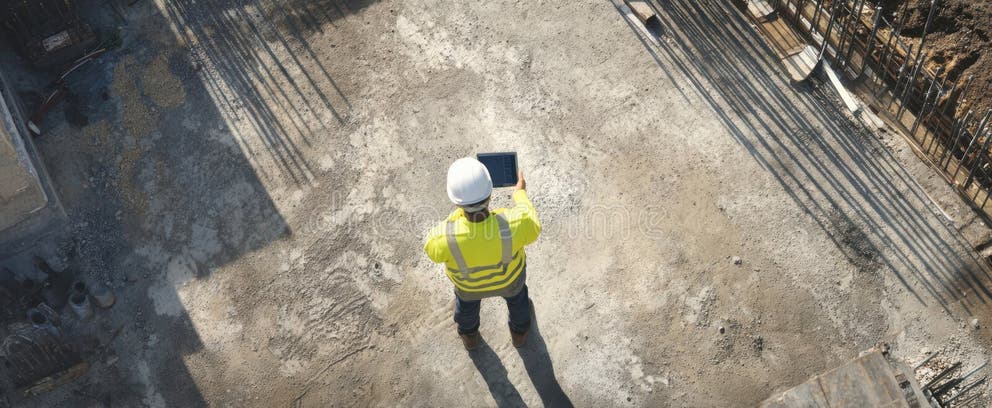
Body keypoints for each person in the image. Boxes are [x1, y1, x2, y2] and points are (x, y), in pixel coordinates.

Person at [424, 157, 541, 350]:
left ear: (455, 202)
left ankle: (469, 337)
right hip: (511, 282)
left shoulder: (443, 236)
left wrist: (456, 216)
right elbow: (533, 224)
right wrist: (520, 194)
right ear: (490, 195)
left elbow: (432, 251)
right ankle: (519, 335)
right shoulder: (515, 223)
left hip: (469, 288)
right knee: (519, 304)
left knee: (466, 312)